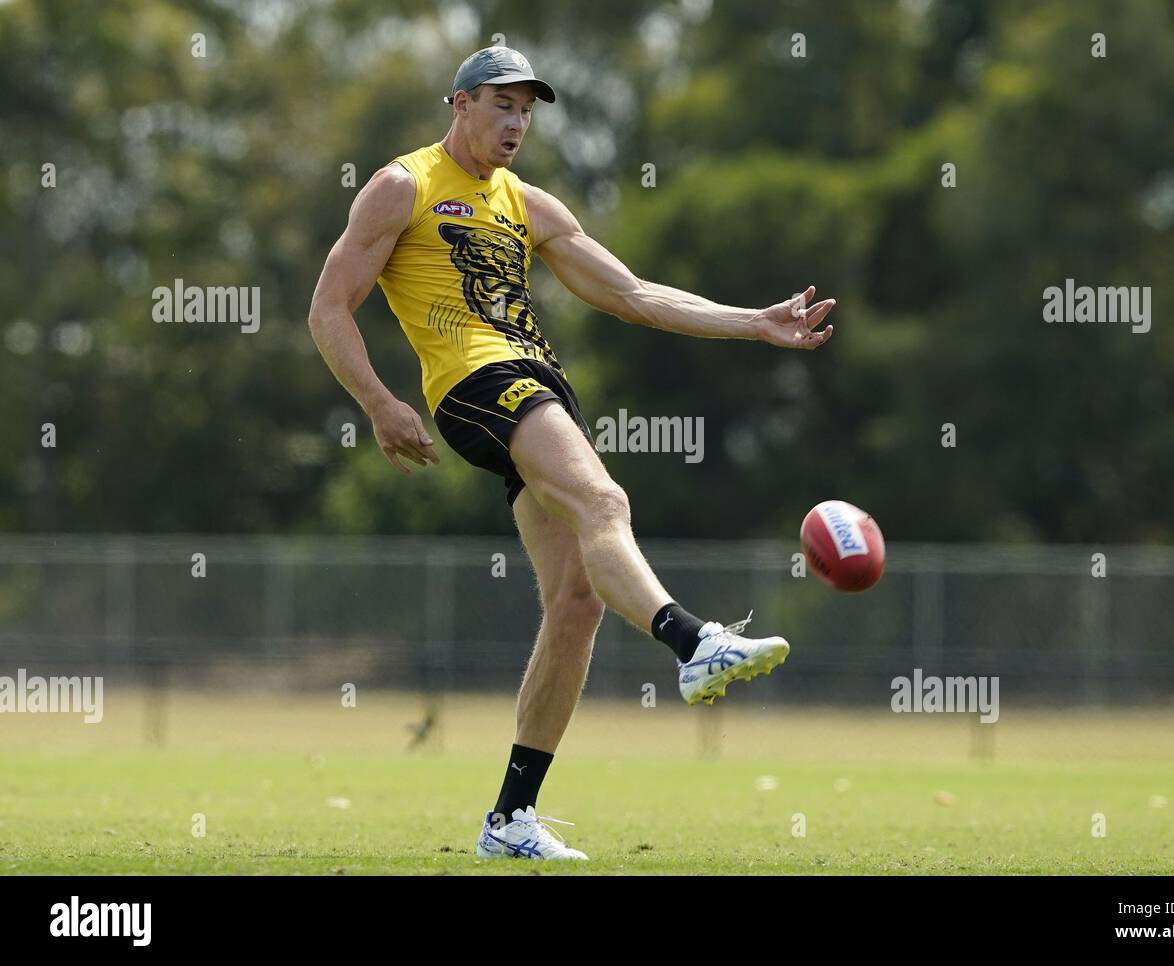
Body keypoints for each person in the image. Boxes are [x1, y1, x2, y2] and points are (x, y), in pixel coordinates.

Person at [307, 46, 836, 861]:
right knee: (606, 502)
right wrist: (379, 403)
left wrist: (753, 322)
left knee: (577, 605)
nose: (517, 122)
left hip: (536, 383)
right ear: (460, 103)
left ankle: (509, 819)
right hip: (479, 382)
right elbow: (328, 308)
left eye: (527, 109)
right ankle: (695, 643)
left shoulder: (528, 202)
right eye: (501, 105)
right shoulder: (403, 185)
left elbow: (630, 294)